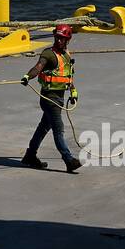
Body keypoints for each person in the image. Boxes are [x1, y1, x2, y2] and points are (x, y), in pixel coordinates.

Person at [19, 24, 83, 173]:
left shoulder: (66, 55)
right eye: (57, 37)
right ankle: (69, 160)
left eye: (62, 38)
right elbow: (38, 67)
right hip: (49, 99)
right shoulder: (48, 54)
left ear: (68, 40)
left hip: (59, 99)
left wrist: (73, 91)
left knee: (43, 128)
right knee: (58, 129)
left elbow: (67, 76)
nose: (59, 40)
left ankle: (30, 155)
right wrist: (28, 76)